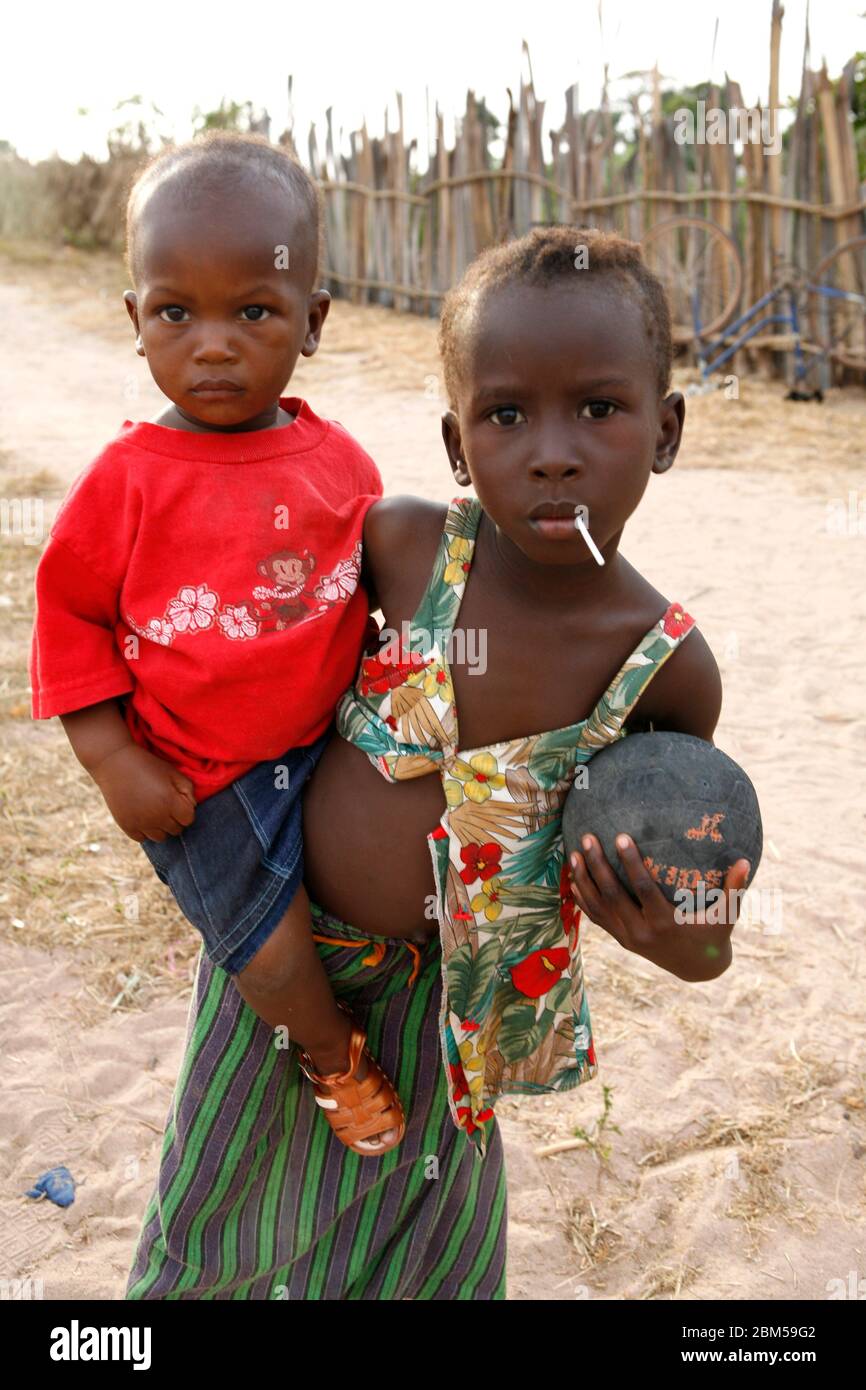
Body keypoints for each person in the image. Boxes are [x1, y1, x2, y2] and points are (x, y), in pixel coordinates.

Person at [124, 223, 751, 1300]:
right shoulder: (406, 550)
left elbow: (696, 918)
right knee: (227, 1221)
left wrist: (685, 936)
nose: (551, 450)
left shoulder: (662, 668)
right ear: (459, 445)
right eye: (506, 415)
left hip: (457, 1010)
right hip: (288, 966)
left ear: (666, 429)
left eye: (597, 408)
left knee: (428, 1247)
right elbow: (248, 611)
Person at [28, 131, 406, 1158]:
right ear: (135, 322)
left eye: (252, 310)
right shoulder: (127, 479)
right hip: (200, 781)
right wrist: (112, 762)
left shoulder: (340, 463)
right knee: (271, 956)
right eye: (174, 312)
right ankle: (330, 1055)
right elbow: (67, 621)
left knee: (380, 890)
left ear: (311, 321)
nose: (212, 343)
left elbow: (369, 592)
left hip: (323, 749)